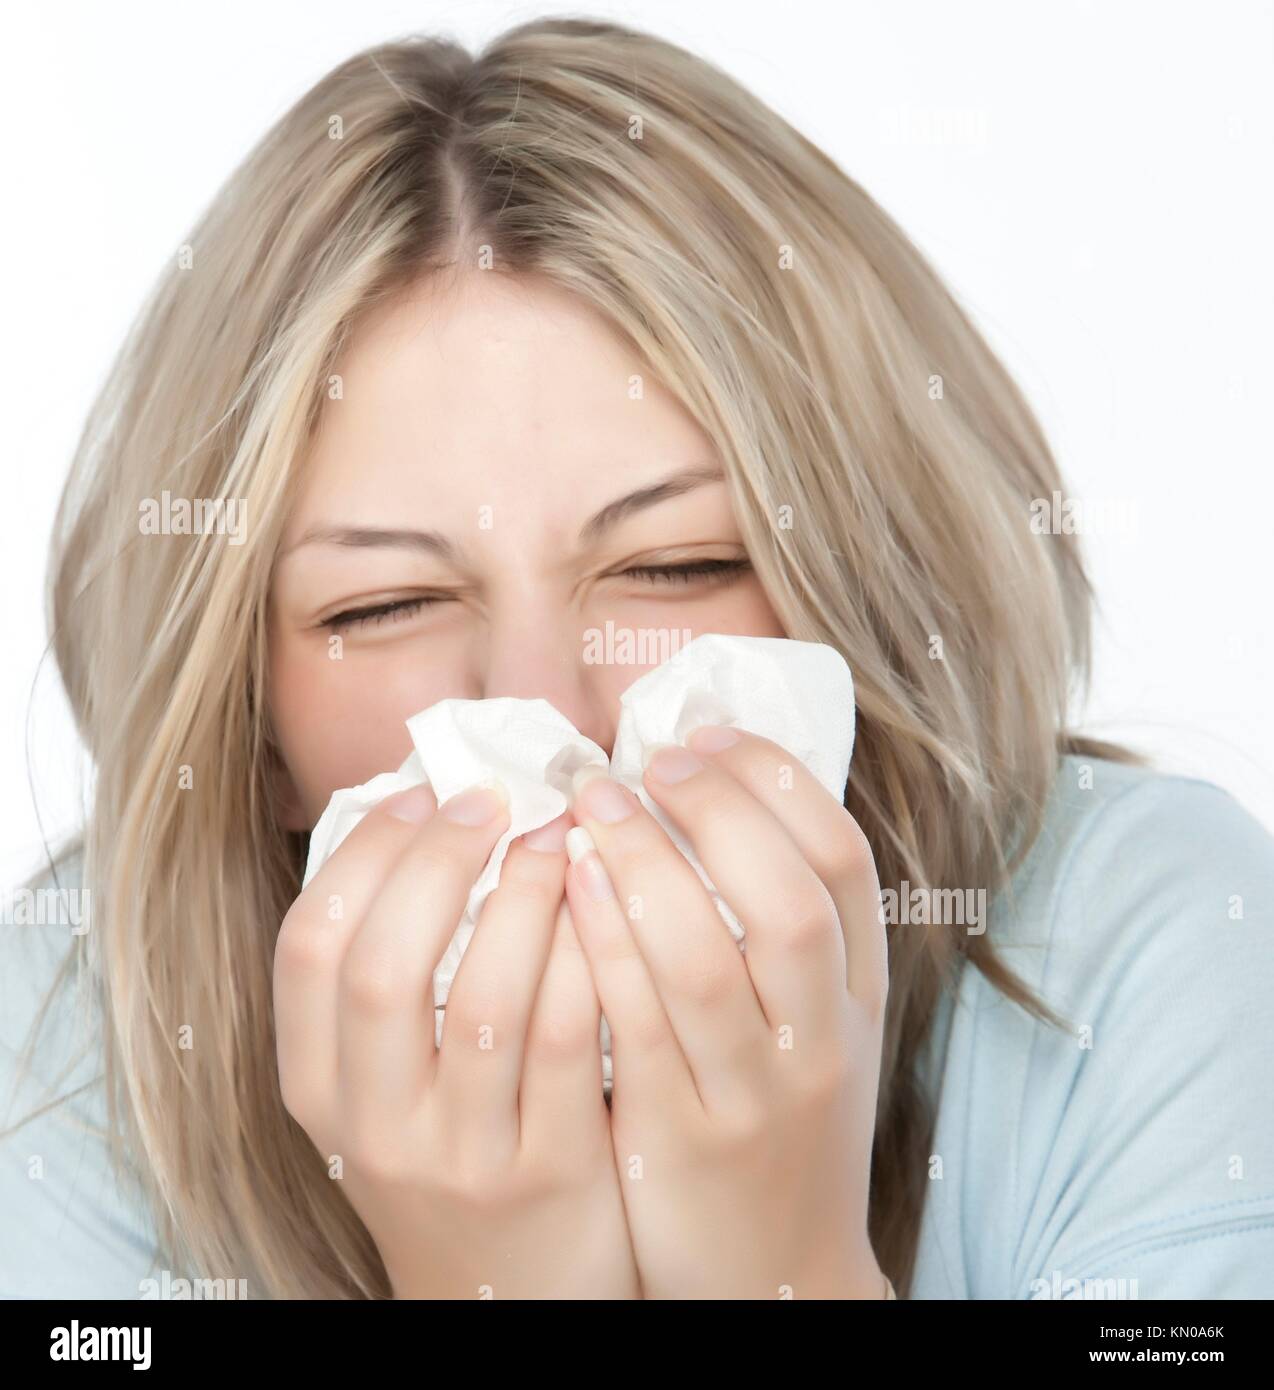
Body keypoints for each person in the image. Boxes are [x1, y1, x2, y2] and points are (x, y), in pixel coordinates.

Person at [3, 17, 1272, 1299]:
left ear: (857, 612)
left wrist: (777, 1268)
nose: (550, 706)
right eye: (383, 603)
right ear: (252, 727)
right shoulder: (70, 1068)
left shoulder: (1152, 954)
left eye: (672, 566)